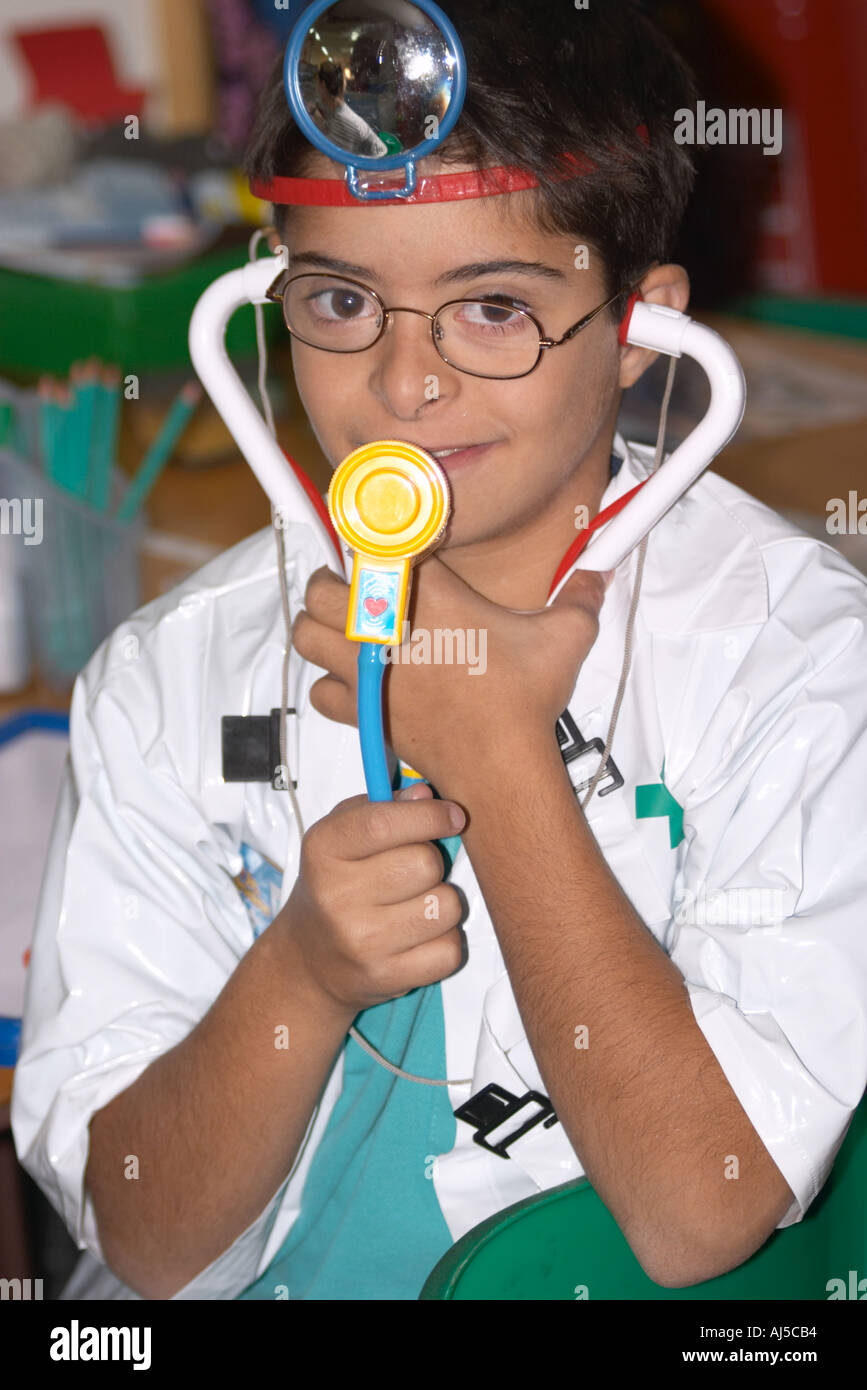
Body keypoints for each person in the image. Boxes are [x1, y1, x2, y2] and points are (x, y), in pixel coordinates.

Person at [12, 0, 867, 1301]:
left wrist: (494, 753)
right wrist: (297, 968)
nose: (405, 383)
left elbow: (701, 1211)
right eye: (343, 300)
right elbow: (140, 1236)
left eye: (491, 309)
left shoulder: (798, 658)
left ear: (639, 331)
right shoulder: (169, 677)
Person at [310, 60, 389, 160]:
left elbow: (334, 157)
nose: (315, 89)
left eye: (316, 84)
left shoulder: (343, 120)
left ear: (323, 85)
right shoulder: (337, 112)